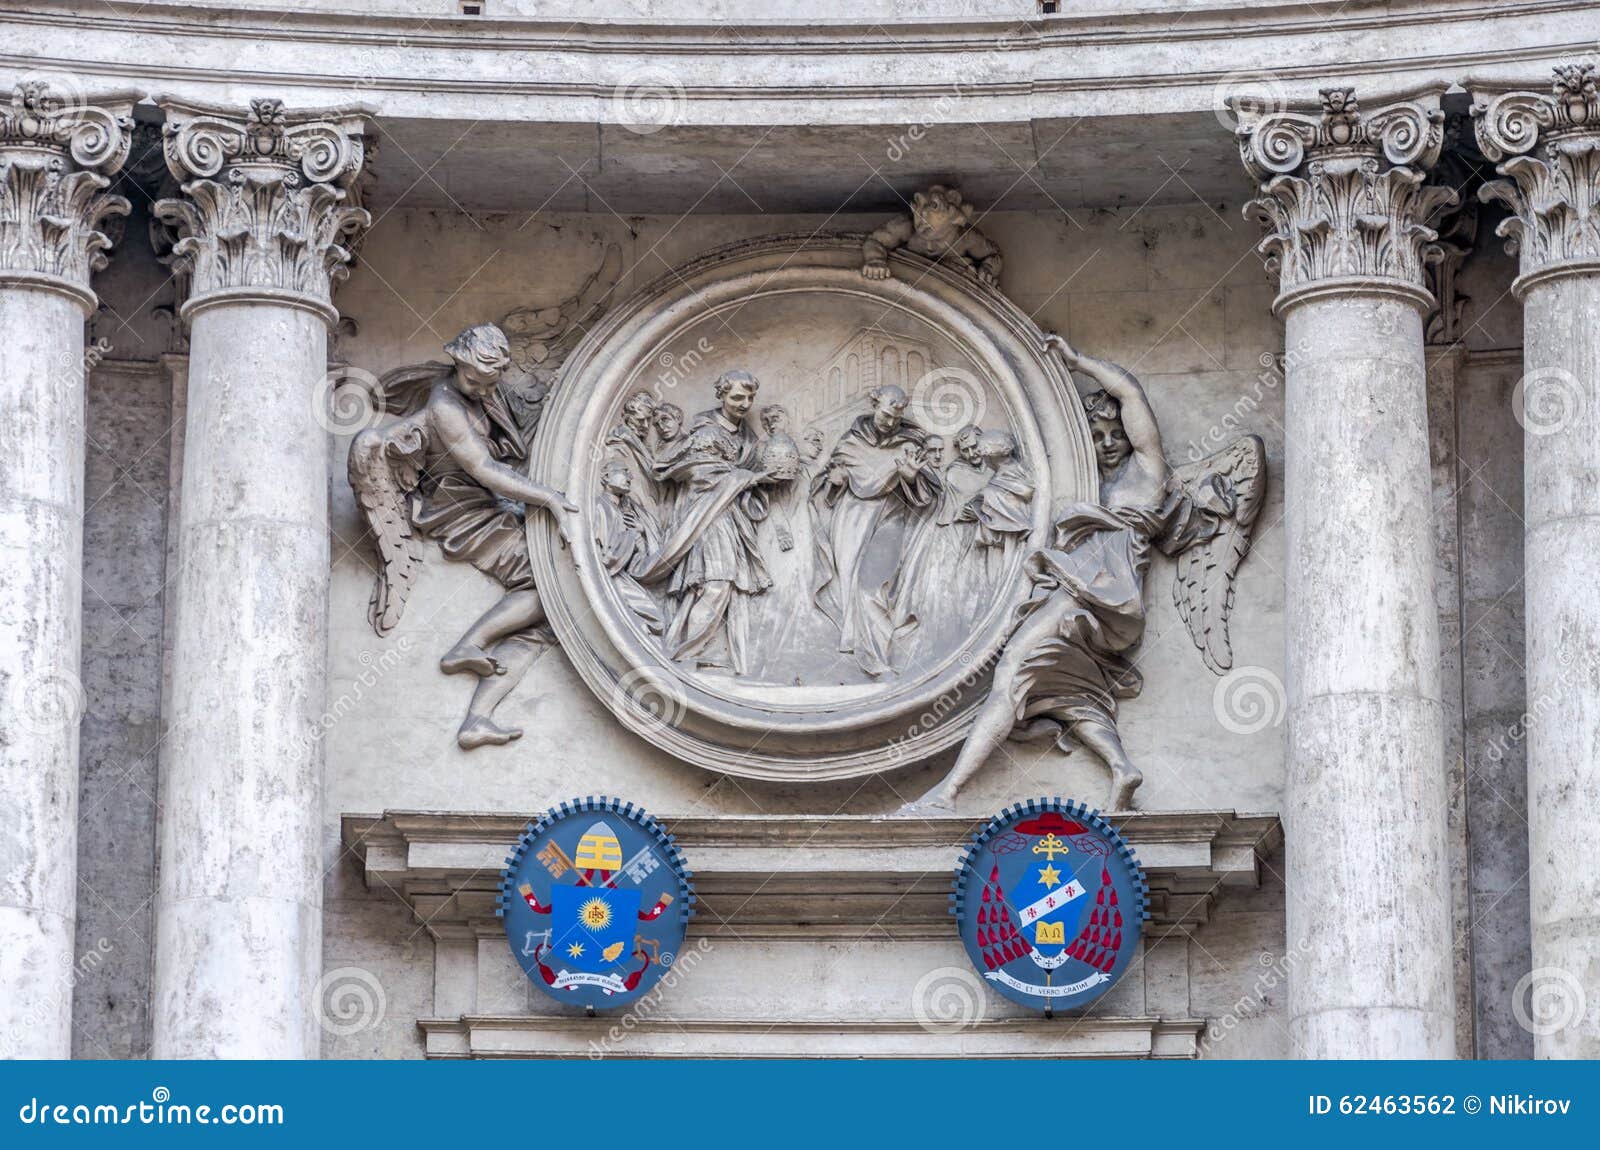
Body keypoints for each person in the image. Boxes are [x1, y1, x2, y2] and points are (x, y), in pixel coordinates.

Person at [632, 370, 786, 674]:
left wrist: (766, 474)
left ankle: (704, 650)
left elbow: (755, 465)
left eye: (749, 398)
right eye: (737, 397)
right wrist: (749, 478)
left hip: (729, 513)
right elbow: (701, 474)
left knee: (721, 584)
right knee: (715, 579)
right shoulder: (705, 430)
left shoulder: (746, 436)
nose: (744, 404)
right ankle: (687, 651)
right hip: (704, 514)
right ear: (722, 395)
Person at [809, 385, 942, 676]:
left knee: (871, 586)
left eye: (896, 418)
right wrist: (835, 481)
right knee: (849, 585)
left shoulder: (909, 444)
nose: (890, 422)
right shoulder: (850, 442)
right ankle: (859, 650)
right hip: (851, 523)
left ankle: (877, 661)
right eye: (885, 414)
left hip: (890, 521)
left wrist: (910, 478)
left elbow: (928, 498)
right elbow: (823, 490)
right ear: (873, 404)